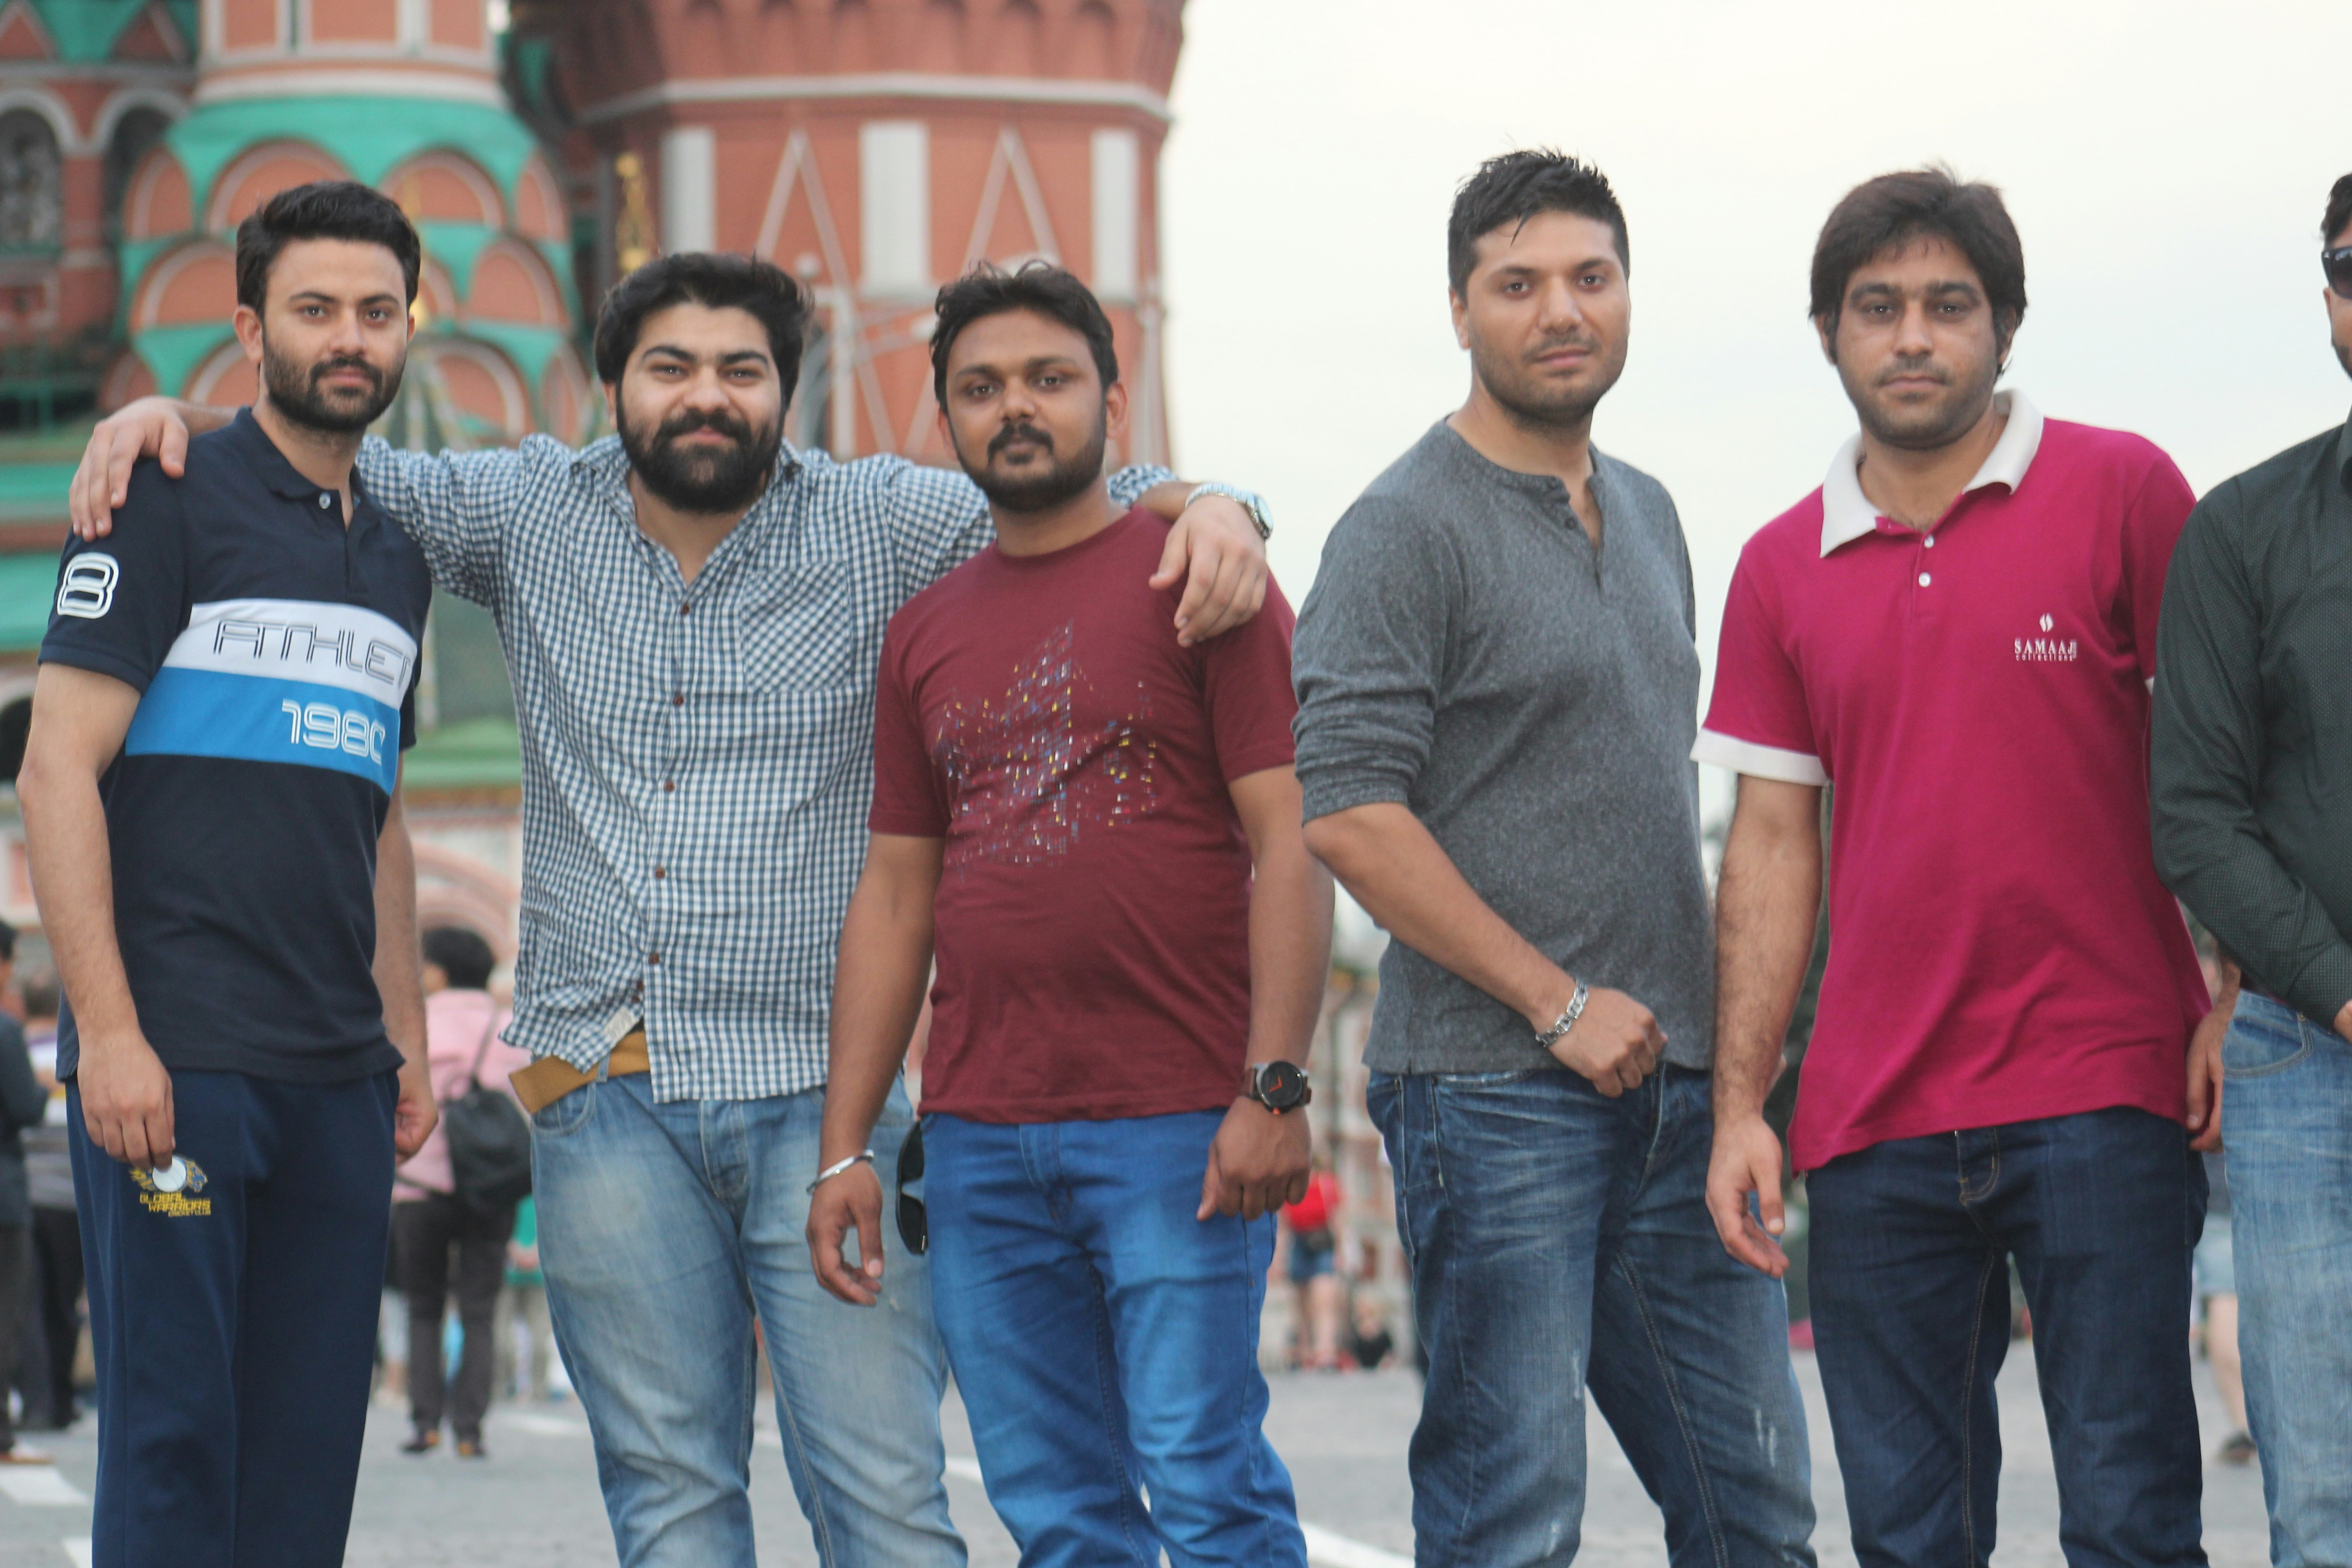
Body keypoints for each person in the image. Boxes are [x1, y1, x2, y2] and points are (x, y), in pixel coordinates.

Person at [69, 247, 1272, 1567]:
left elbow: (1078, 487)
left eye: (741, 371)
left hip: (823, 1102)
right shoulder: (526, 509)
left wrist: (1218, 506)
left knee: (882, 1502)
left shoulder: (880, 520)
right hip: (606, 1106)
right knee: (669, 1506)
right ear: (614, 388)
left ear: (789, 397)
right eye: (672, 368)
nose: (708, 395)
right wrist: (158, 418)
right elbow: (310, 430)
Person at [1290, 149, 1817, 1568]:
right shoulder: (1402, 527)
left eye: (1590, 278)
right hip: (1491, 1094)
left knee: (1758, 1513)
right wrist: (1557, 1002)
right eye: (1516, 285)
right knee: (1510, 1518)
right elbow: (1345, 809)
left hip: (1679, 1100)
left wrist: (1730, 1084)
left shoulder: (1650, 511)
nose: (1560, 311)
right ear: (1460, 310)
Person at [1700, 168, 2219, 1568]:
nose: (1914, 336)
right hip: (1871, 1119)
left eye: (1949, 306)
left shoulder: (2124, 490)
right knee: (1911, 1541)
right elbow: (1767, 847)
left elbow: (2216, 768)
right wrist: (1744, 1104)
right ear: (1828, 332)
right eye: (1880, 308)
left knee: (2129, 1518)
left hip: (2105, 1085)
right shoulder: (1776, 567)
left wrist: (2225, 996)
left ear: (2006, 325)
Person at [810, 261, 1328, 1567]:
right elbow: (895, 896)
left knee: (1206, 1487)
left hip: (1176, 1123)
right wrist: (844, 1145)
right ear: (945, 419)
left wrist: (1274, 1086)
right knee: (1052, 1512)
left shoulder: (1206, 580)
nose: (1016, 409)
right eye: (981, 389)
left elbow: (1292, 839)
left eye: (1049, 379)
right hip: (981, 1141)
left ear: (1110, 395)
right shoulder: (923, 630)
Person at [16, 180, 438, 1567]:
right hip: (177, 1061)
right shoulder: (159, 500)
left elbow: (375, 814)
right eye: (315, 309)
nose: (349, 338)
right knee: (175, 1442)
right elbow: (53, 772)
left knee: (307, 1459)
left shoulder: (396, 555)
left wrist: (408, 1049)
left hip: (337, 1080)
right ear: (250, 327)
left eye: (376, 311)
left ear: (411, 327)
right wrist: (115, 1037)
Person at [2150, 172, 2352, 1568]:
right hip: (2308, 1060)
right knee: (2326, 1496)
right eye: (2351, 262)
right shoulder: (2246, 530)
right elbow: (2198, 813)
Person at [393, 926, 528, 1458]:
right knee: (479, 1307)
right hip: (490, 1186)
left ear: (438, 971)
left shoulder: (413, 1024)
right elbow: (532, 1099)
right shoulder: (510, 1028)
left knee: (423, 1305)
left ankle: (425, 1421)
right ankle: (469, 1430)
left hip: (418, 1183)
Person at [16, 970, 82, 1433]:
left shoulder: (14, 1047)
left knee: (27, 1303)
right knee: (64, 1304)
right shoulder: (78, 1053)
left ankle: (37, 1401)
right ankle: (60, 1400)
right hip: (72, 1198)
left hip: (27, 1191)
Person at [0, 923, 53, 1463]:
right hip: (6, 1195)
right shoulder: (5, 1032)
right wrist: (41, 1089)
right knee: (6, 1313)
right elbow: (23, 1107)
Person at [1281, 1164, 1346, 1370]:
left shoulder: (1325, 1183)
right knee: (1301, 1302)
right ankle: (1305, 1352)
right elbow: (1284, 1222)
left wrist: (1340, 1251)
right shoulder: (1288, 1186)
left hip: (1322, 1242)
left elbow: (1338, 1219)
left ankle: (1325, 1352)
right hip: (1298, 1242)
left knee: (1324, 1299)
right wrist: (1279, 1258)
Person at [495, 1195, 554, 1404]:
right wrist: (537, 1253)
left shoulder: (508, 1187)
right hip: (530, 1268)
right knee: (535, 1333)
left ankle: (501, 1387)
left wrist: (515, 1251)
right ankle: (538, 1389)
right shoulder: (544, 1188)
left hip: (511, 1268)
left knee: (503, 1332)